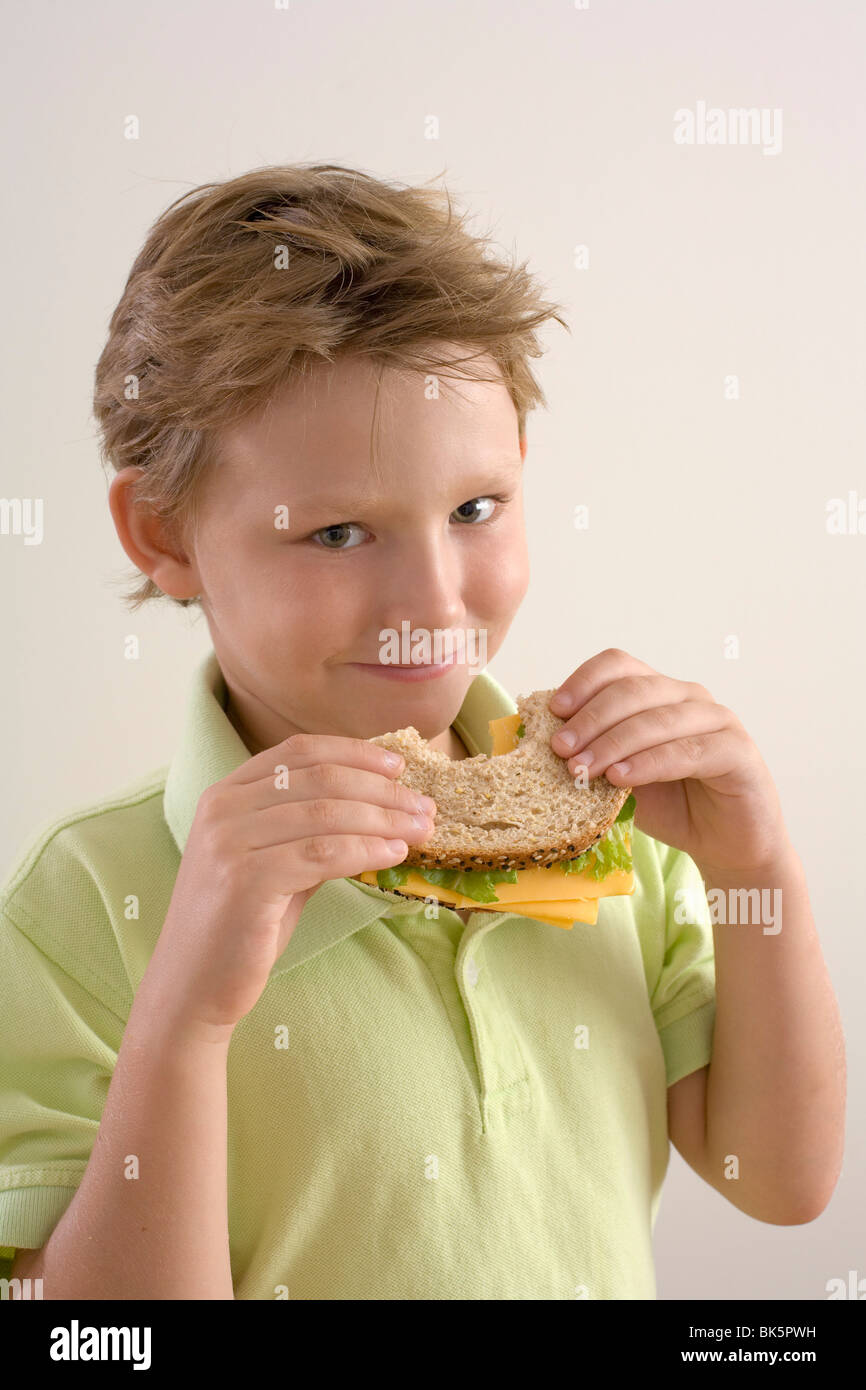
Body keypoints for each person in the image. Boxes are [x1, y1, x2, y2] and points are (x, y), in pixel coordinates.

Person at [0, 163, 840, 1302]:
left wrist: (754, 869)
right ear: (165, 532)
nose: (436, 605)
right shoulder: (89, 897)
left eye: (473, 510)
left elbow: (778, 1180)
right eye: (340, 532)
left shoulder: (617, 824)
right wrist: (185, 1025)